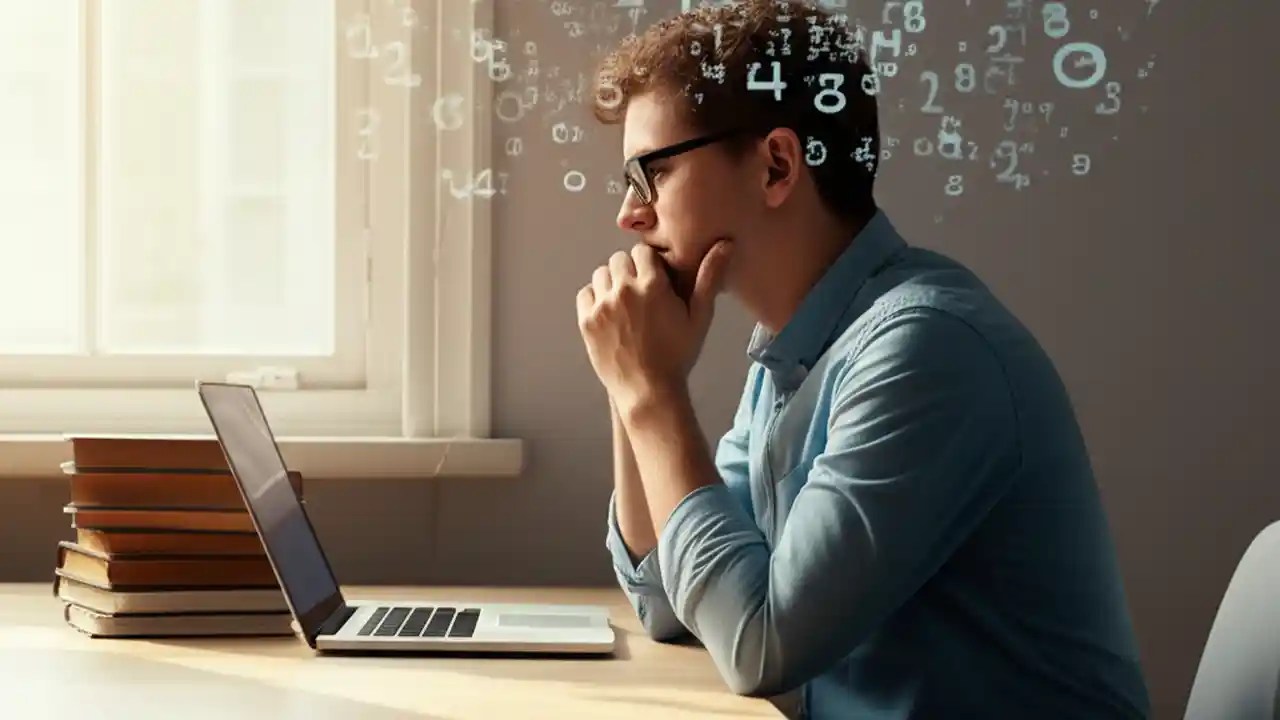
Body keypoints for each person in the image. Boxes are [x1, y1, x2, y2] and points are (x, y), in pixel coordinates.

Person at [573, 1, 1151, 718]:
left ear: (777, 166)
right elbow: (672, 601)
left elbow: (758, 647)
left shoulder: (925, 351)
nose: (629, 214)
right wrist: (628, 378)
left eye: (651, 172)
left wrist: (650, 392)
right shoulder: (790, 356)